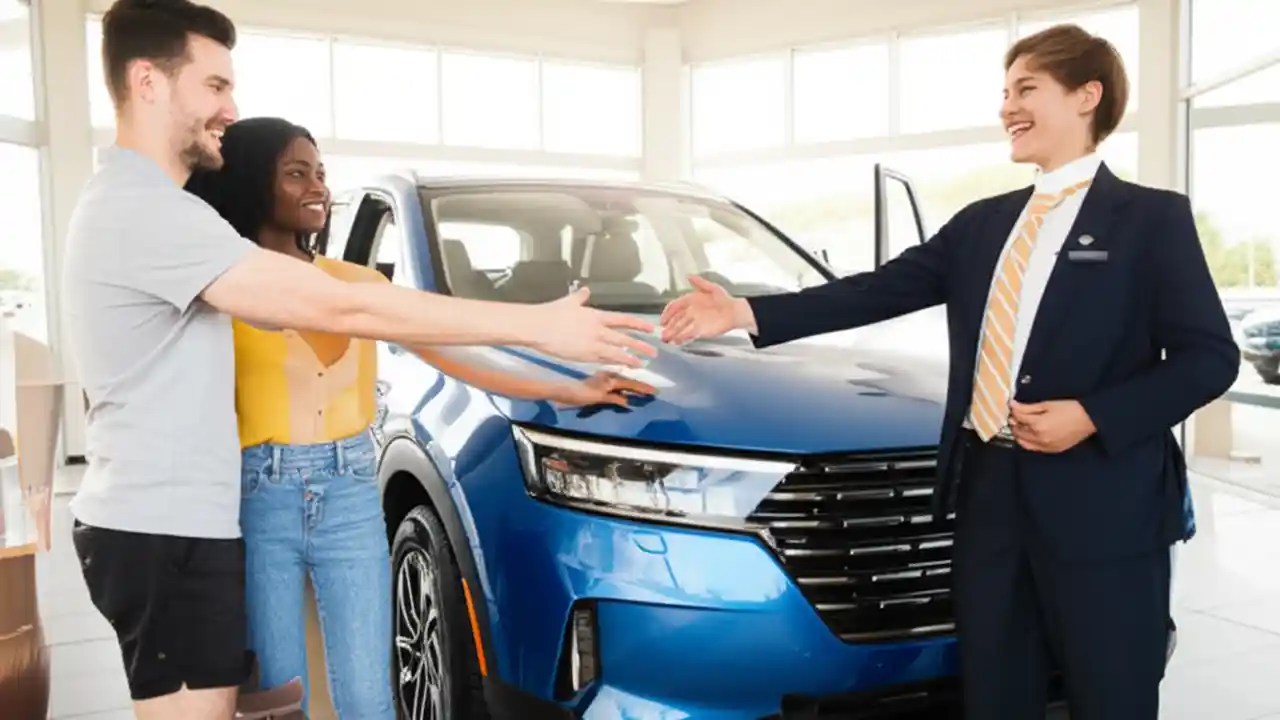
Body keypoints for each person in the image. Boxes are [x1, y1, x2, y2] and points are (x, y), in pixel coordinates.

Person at [61, 2, 655, 718]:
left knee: (292, 703)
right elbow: (344, 310)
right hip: (170, 527)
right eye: (214, 85)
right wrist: (539, 325)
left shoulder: (157, 213)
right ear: (149, 82)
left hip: (200, 519)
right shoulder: (148, 212)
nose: (231, 105)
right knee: (271, 702)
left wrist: (568, 375)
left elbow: (376, 314)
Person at [660, 23, 1238, 720]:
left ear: (1088, 96)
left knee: (1109, 689)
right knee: (995, 691)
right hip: (988, 491)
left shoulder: (1151, 220)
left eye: (1026, 89)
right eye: (1004, 93)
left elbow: (1210, 359)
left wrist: (1092, 416)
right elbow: (875, 290)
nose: (1007, 109)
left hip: (1103, 499)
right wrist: (746, 312)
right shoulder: (984, 223)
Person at [182, 116, 655, 718]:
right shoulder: (229, 289)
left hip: (351, 491)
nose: (317, 187)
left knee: (367, 696)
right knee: (278, 694)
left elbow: (453, 354)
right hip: (260, 490)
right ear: (254, 183)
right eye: (296, 173)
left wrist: (564, 389)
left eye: (321, 172)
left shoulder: (353, 281)